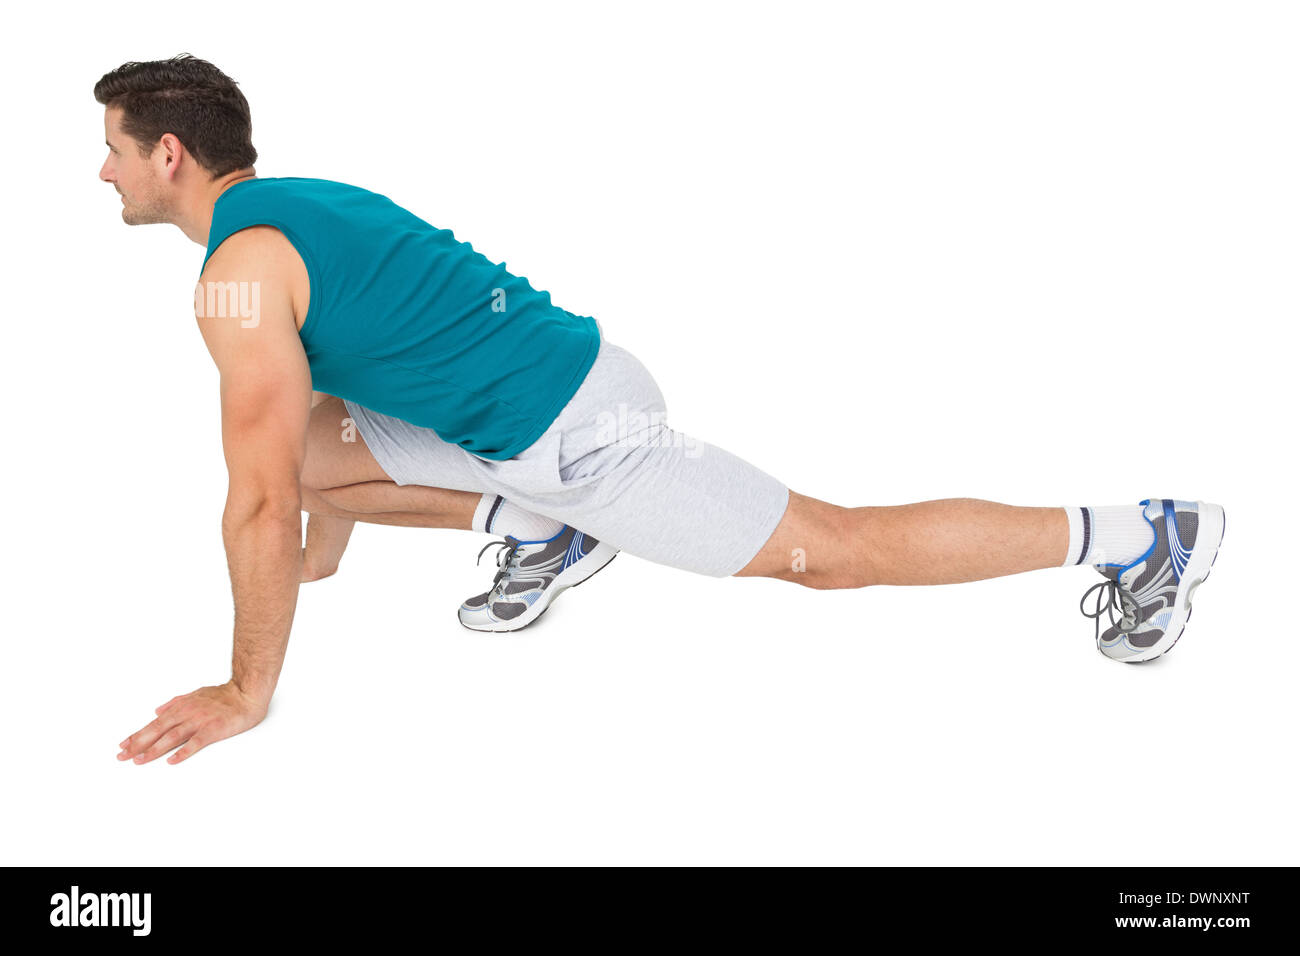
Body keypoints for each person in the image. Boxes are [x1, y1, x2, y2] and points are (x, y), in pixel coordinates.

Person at [98, 54, 1225, 767]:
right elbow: (312, 414)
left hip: (581, 435)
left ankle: (1140, 530)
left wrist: (248, 688)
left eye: (111, 150)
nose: (103, 175)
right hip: (549, 391)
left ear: (169, 151)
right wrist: (326, 551)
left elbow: (250, 500)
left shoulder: (236, 277)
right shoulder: (303, 205)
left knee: (835, 555)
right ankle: (536, 531)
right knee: (303, 447)